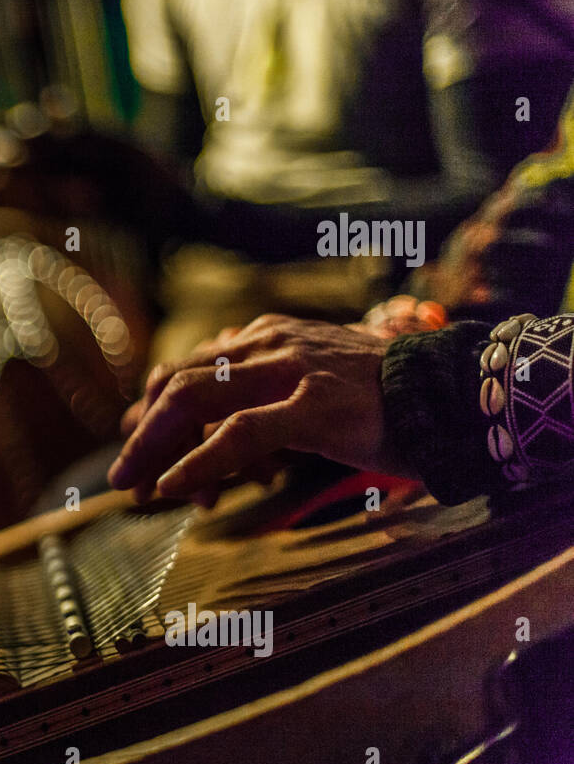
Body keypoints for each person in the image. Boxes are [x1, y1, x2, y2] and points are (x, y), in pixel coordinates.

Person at [108, 85, 574, 507]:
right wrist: (390, 341)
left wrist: (434, 385)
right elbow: (552, 190)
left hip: (355, 266)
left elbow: (470, 185)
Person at [120, 0, 574, 360]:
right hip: (215, 268)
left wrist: (241, 227)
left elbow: (492, 203)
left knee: (211, 382)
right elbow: (168, 164)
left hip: (385, 268)